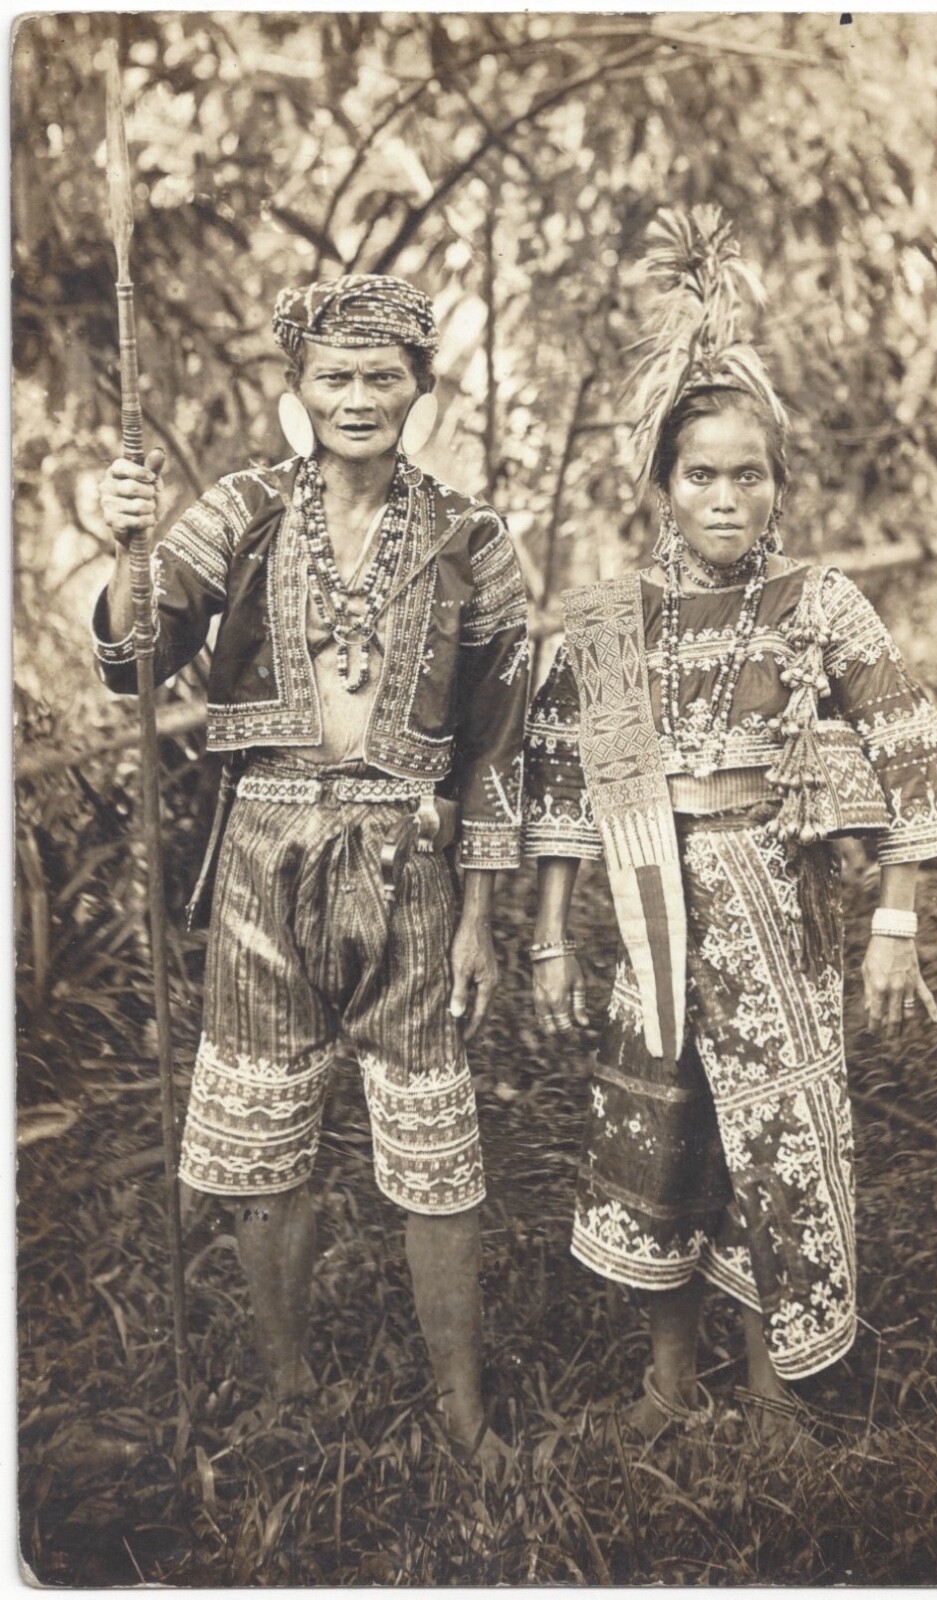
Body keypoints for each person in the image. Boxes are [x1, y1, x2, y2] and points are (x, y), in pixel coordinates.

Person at [522, 208, 937, 1444]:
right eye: (701, 474)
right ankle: (669, 1383)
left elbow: (910, 749)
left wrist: (895, 924)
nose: (727, 496)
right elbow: (557, 785)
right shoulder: (610, 623)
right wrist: (550, 940)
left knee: (777, 1135)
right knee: (665, 1133)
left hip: (778, 909)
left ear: (778, 483)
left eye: (749, 474)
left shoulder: (820, 600)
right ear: (662, 485)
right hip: (654, 915)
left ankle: (776, 1391)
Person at [93, 273, 528, 1468]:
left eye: (383, 375)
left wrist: (481, 916)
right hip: (264, 851)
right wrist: (127, 547)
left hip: (409, 855)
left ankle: (461, 1410)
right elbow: (135, 659)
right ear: (298, 389)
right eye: (334, 376)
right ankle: (289, 1384)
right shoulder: (237, 510)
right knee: (262, 1131)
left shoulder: (472, 538)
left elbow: (499, 743)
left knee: (434, 1139)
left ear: (420, 390)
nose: (357, 397)